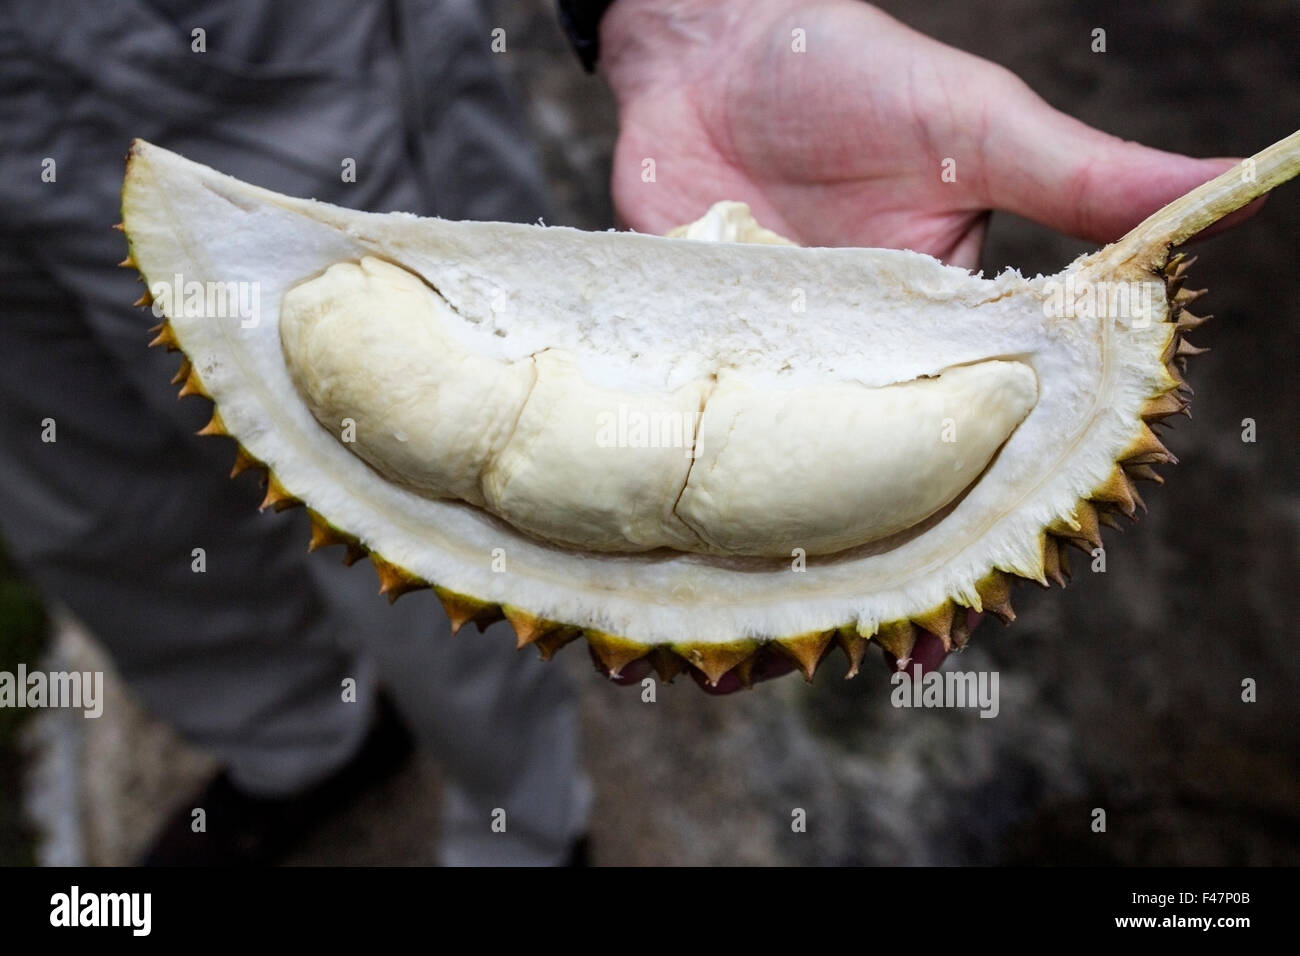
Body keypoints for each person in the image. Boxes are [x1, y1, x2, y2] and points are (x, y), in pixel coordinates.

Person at [0, 0, 1250, 865]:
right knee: (98, 505)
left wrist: (688, 12)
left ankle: (525, 826)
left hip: (241, 46)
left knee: (434, 581)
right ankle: (294, 746)